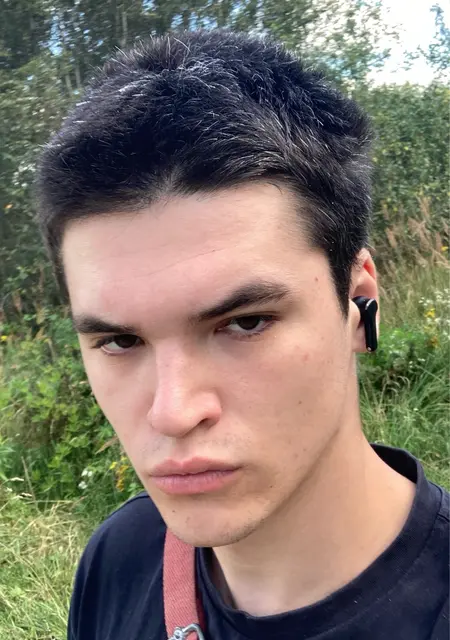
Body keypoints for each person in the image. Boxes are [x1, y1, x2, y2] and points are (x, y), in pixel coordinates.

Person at [36, 29, 449, 640]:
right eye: (120, 341)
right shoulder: (119, 557)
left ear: (359, 302)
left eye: (245, 322)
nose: (174, 412)